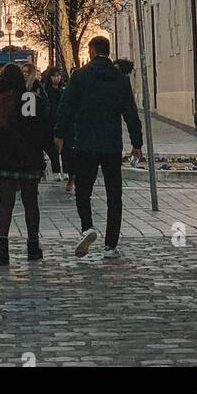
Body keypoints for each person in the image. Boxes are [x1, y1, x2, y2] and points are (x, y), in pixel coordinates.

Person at [54, 36, 144, 259]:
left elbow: (66, 106)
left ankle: (88, 227)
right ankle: (111, 245)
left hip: (85, 142)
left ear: (92, 51)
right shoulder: (121, 80)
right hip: (111, 144)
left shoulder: (80, 76)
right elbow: (131, 114)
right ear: (108, 51)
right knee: (115, 195)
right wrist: (137, 143)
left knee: (83, 190)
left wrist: (59, 133)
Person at [0, 63, 51, 265]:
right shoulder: (31, 99)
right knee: (30, 203)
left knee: (5, 204)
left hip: (4, 157)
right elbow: (40, 127)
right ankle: (33, 246)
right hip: (29, 157)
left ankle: (2, 249)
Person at [42, 68, 67, 179]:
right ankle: (56, 171)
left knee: (64, 148)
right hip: (49, 123)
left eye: (58, 76)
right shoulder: (45, 91)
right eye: (54, 76)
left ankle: (66, 171)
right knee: (52, 149)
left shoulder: (63, 90)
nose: (56, 78)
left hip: (61, 122)